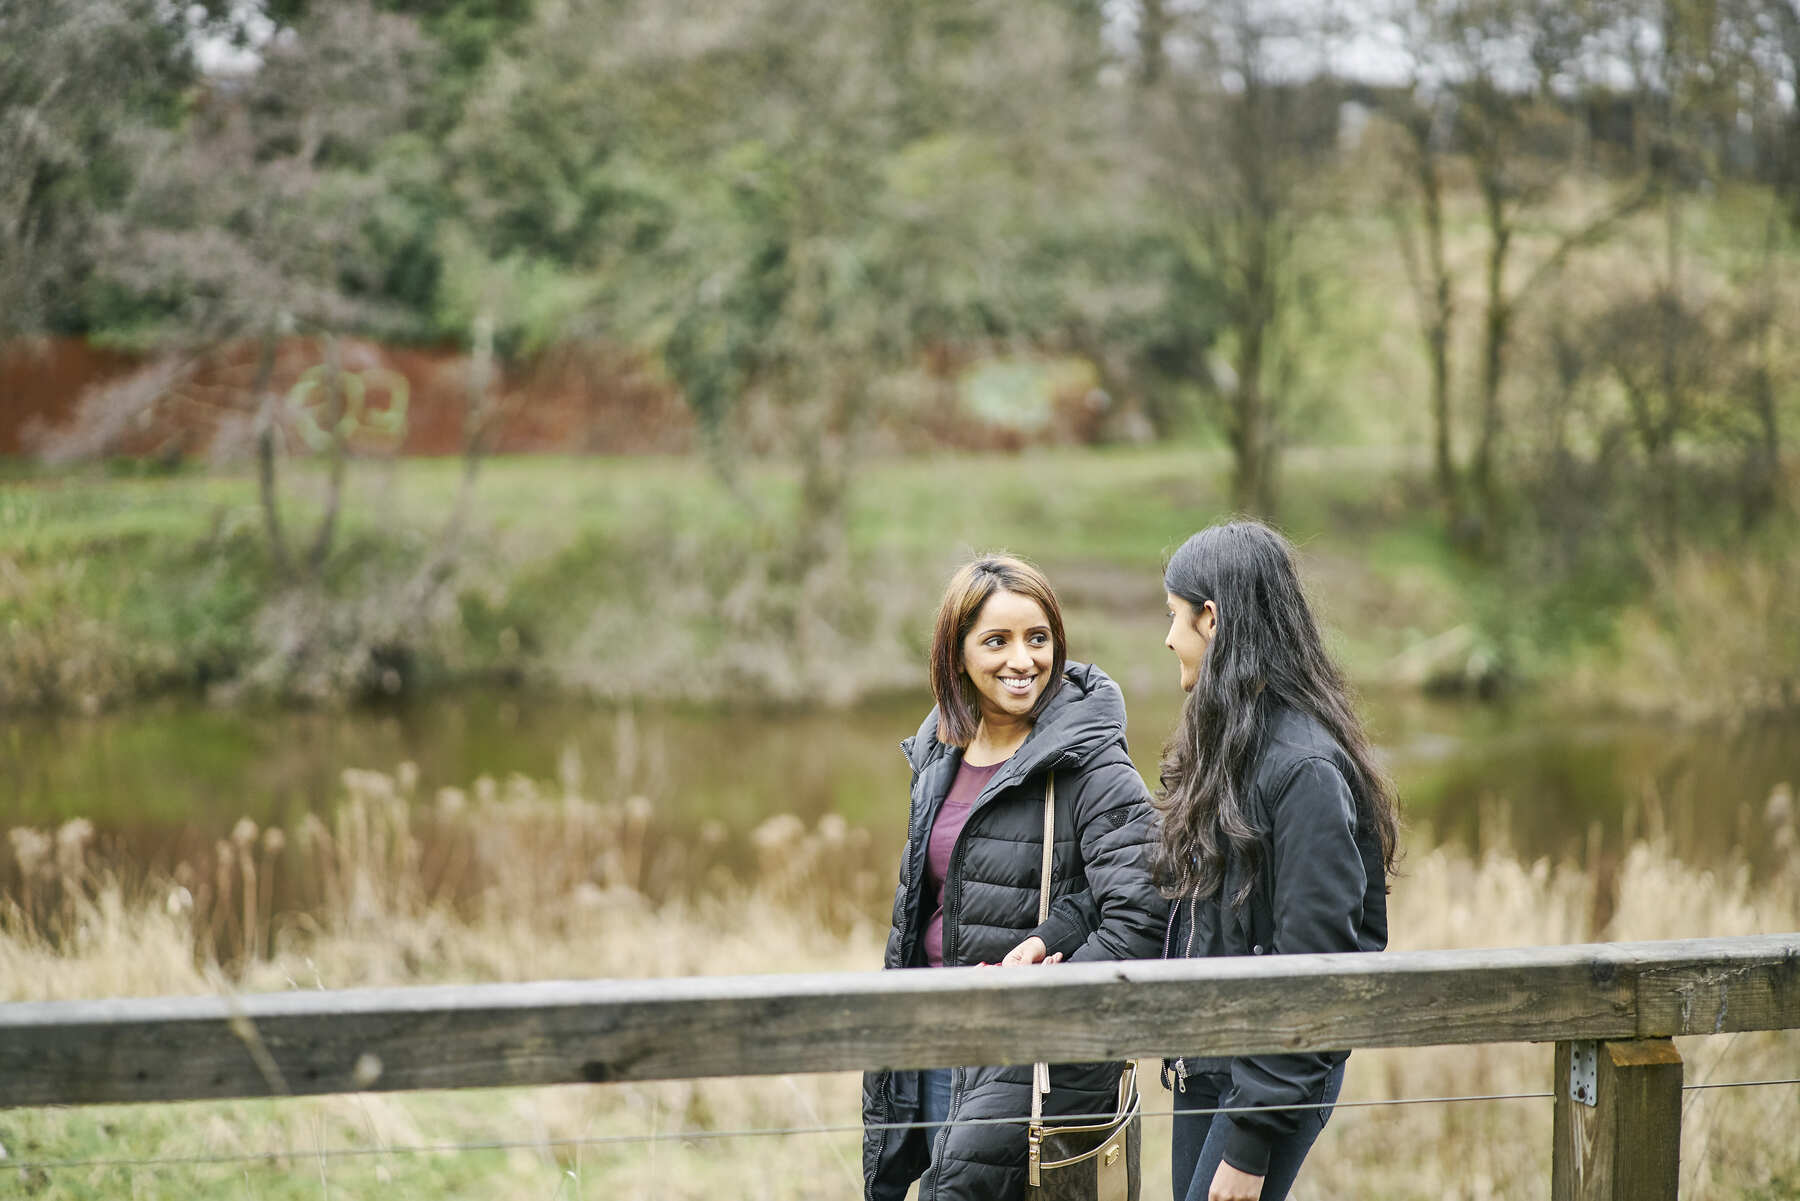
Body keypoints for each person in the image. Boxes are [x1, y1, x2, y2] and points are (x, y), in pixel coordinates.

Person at [861, 554, 1168, 1201]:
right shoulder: (940, 747)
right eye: (996, 640)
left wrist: (1047, 982)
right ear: (958, 652)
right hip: (929, 1039)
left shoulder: (1090, 760)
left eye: (1038, 638)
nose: (1022, 659)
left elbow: (1144, 911)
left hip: (1030, 1062)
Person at [1155, 521, 1399, 1201]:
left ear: (1212, 618)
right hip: (1213, 1055)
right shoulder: (1231, 740)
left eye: (1174, 616)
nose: (1169, 636)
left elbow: (1316, 963)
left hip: (1268, 1073)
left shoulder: (1304, 770)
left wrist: (1252, 1138)